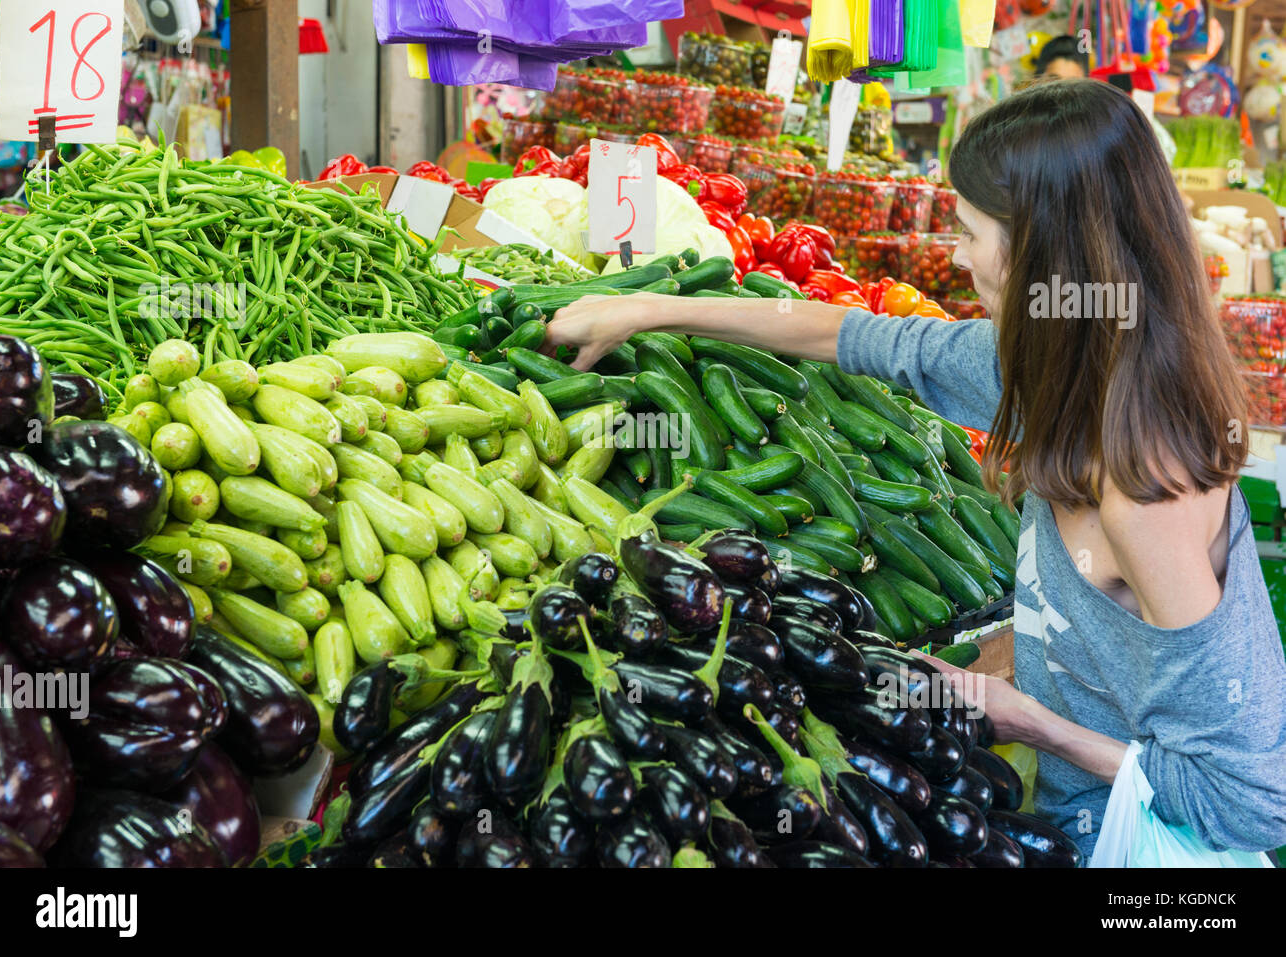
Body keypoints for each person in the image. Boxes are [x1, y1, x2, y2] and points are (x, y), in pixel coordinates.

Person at [542, 79, 1286, 860]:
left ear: (1042, 250)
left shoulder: (1146, 485)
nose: (956, 256)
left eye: (970, 233)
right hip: (1071, 832)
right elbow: (849, 334)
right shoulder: (1051, 369)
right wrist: (644, 307)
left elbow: (1253, 799)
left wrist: (1025, 717)